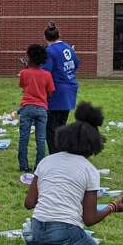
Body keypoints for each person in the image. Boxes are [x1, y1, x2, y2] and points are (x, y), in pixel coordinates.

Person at [19, 102, 123, 245]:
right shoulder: (89, 170)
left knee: (49, 240)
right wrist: (113, 207)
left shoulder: (46, 161)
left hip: (37, 228)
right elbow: (89, 219)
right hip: (64, 230)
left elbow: (29, 203)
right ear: (94, 144)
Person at [43, 24, 81, 152]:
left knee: (51, 127)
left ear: (45, 38)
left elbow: (46, 71)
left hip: (57, 91)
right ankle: (63, 151)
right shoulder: (68, 48)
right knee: (62, 125)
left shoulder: (49, 51)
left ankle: (55, 155)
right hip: (70, 89)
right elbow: (76, 64)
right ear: (59, 35)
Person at [18, 44, 55, 172]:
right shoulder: (47, 74)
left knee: (24, 137)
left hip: (27, 107)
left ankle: (23, 165)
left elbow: (22, 85)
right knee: (41, 139)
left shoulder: (24, 73)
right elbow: (51, 91)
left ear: (29, 58)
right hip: (42, 108)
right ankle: (39, 166)